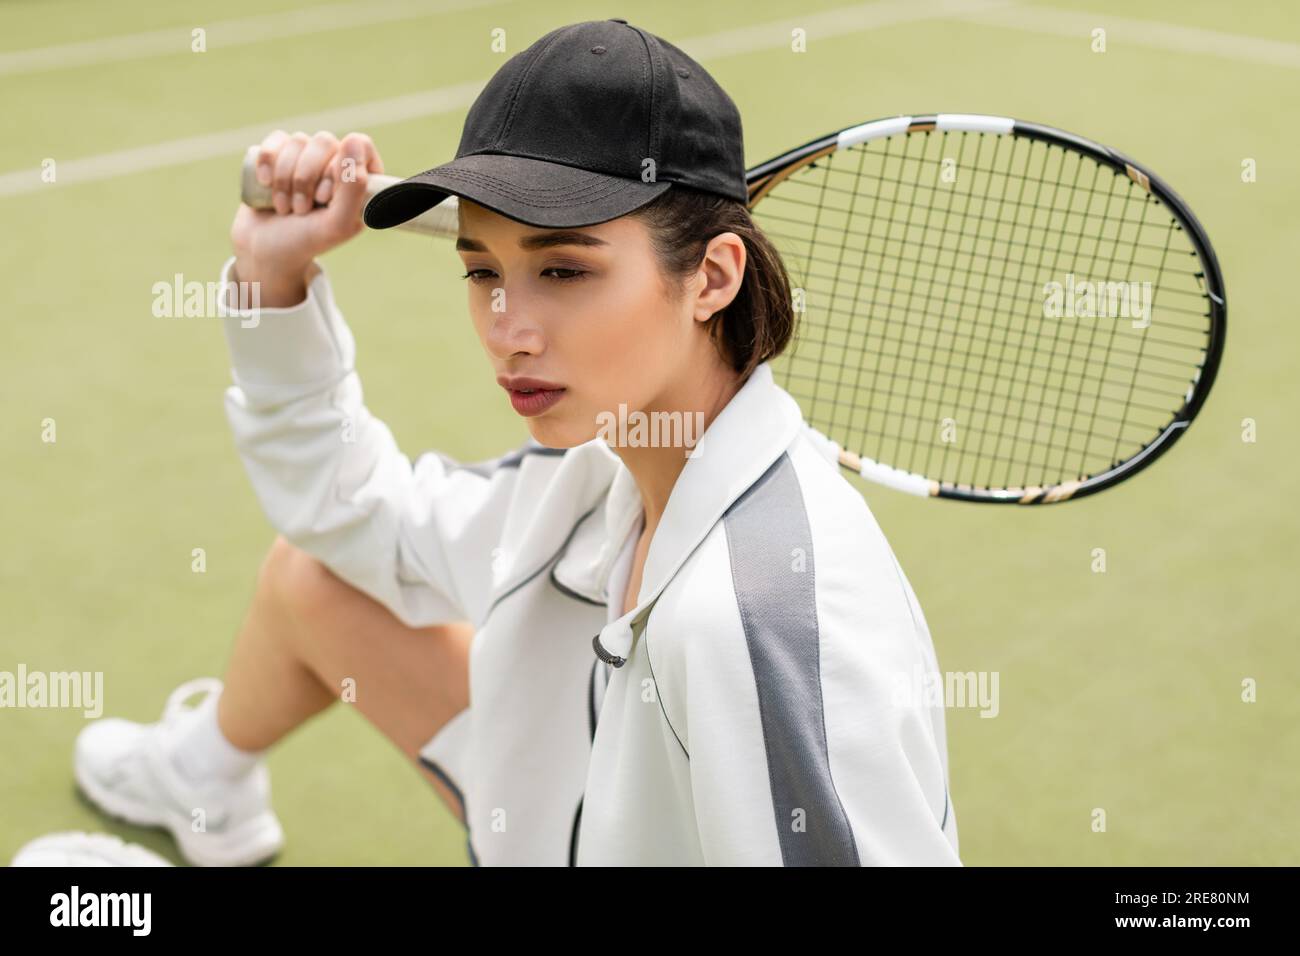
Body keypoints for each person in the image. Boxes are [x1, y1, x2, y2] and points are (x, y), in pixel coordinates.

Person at [74, 18, 960, 866]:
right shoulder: (592, 480)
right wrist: (275, 272)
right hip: (557, 810)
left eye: (564, 270)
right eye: (483, 271)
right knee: (313, 577)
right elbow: (354, 515)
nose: (509, 328)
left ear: (713, 278)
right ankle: (199, 775)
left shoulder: (760, 619)